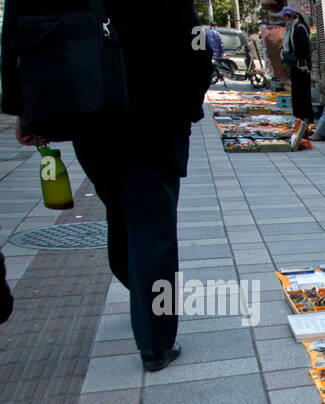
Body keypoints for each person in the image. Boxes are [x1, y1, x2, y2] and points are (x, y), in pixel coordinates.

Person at [2, 0, 212, 371]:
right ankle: (155, 340)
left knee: (121, 204)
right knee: (150, 221)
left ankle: (139, 285)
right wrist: (192, 99)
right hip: (154, 112)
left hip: (89, 111)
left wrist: (24, 108)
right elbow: (194, 38)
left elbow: (17, 37)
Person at [281, 6, 314, 124]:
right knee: (297, 91)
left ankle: (306, 117)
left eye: (285, 17)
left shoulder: (299, 28)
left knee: (303, 92)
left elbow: (304, 47)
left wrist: (293, 56)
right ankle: (299, 116)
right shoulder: (292, 28)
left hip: (301, 65)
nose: (284, 19)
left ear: (290, 16)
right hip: (295, 65)